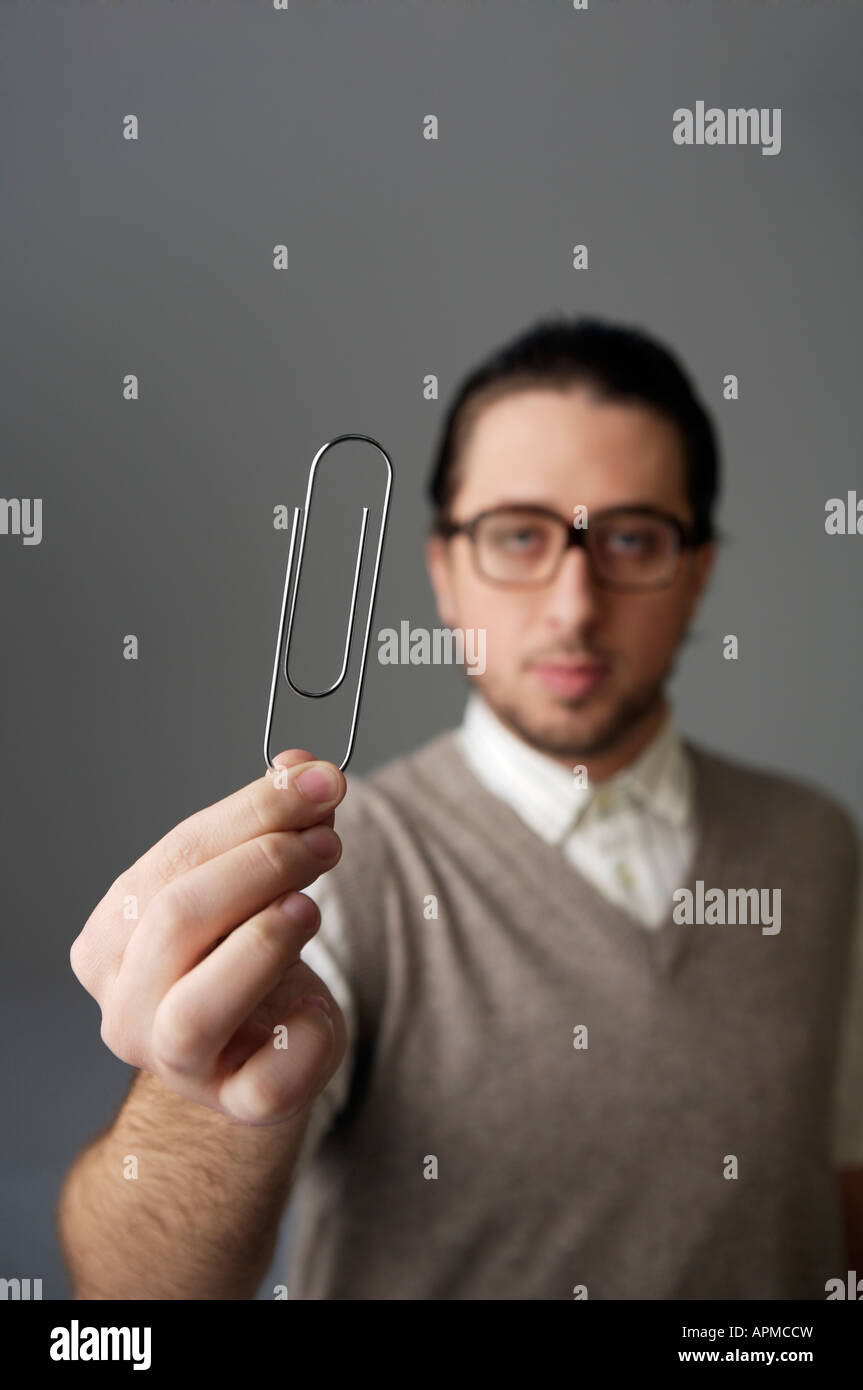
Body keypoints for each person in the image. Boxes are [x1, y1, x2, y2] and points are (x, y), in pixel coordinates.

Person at [59, 317, 863, 1300]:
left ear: (694, 573)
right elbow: (128, 1292)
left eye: (628, 538)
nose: (572, 602)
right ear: (442, 570)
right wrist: (197, 1093)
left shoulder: (813, 844)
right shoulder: (340, 871)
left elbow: (827, 1188)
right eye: (518, 535)